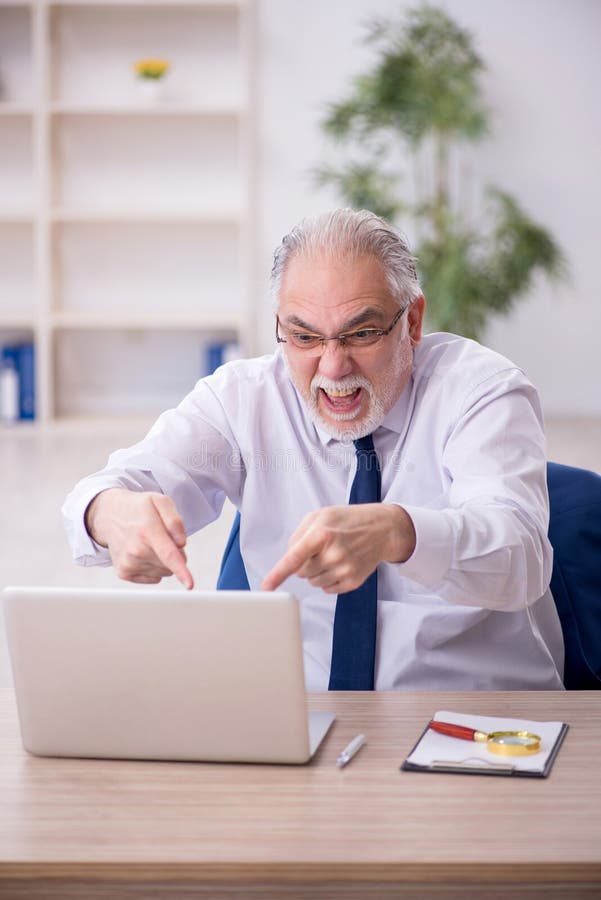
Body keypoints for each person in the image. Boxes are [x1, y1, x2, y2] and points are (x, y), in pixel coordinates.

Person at [62, 208, 564, 691]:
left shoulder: (480, 390)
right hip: (300, 721)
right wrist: (109, 514)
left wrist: (400, 532)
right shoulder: (244, 398)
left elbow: (520, 557)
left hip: (476, 720)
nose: (332, 367)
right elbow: (114, 485)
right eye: (303, 337)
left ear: (412, 322)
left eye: (361, 333)